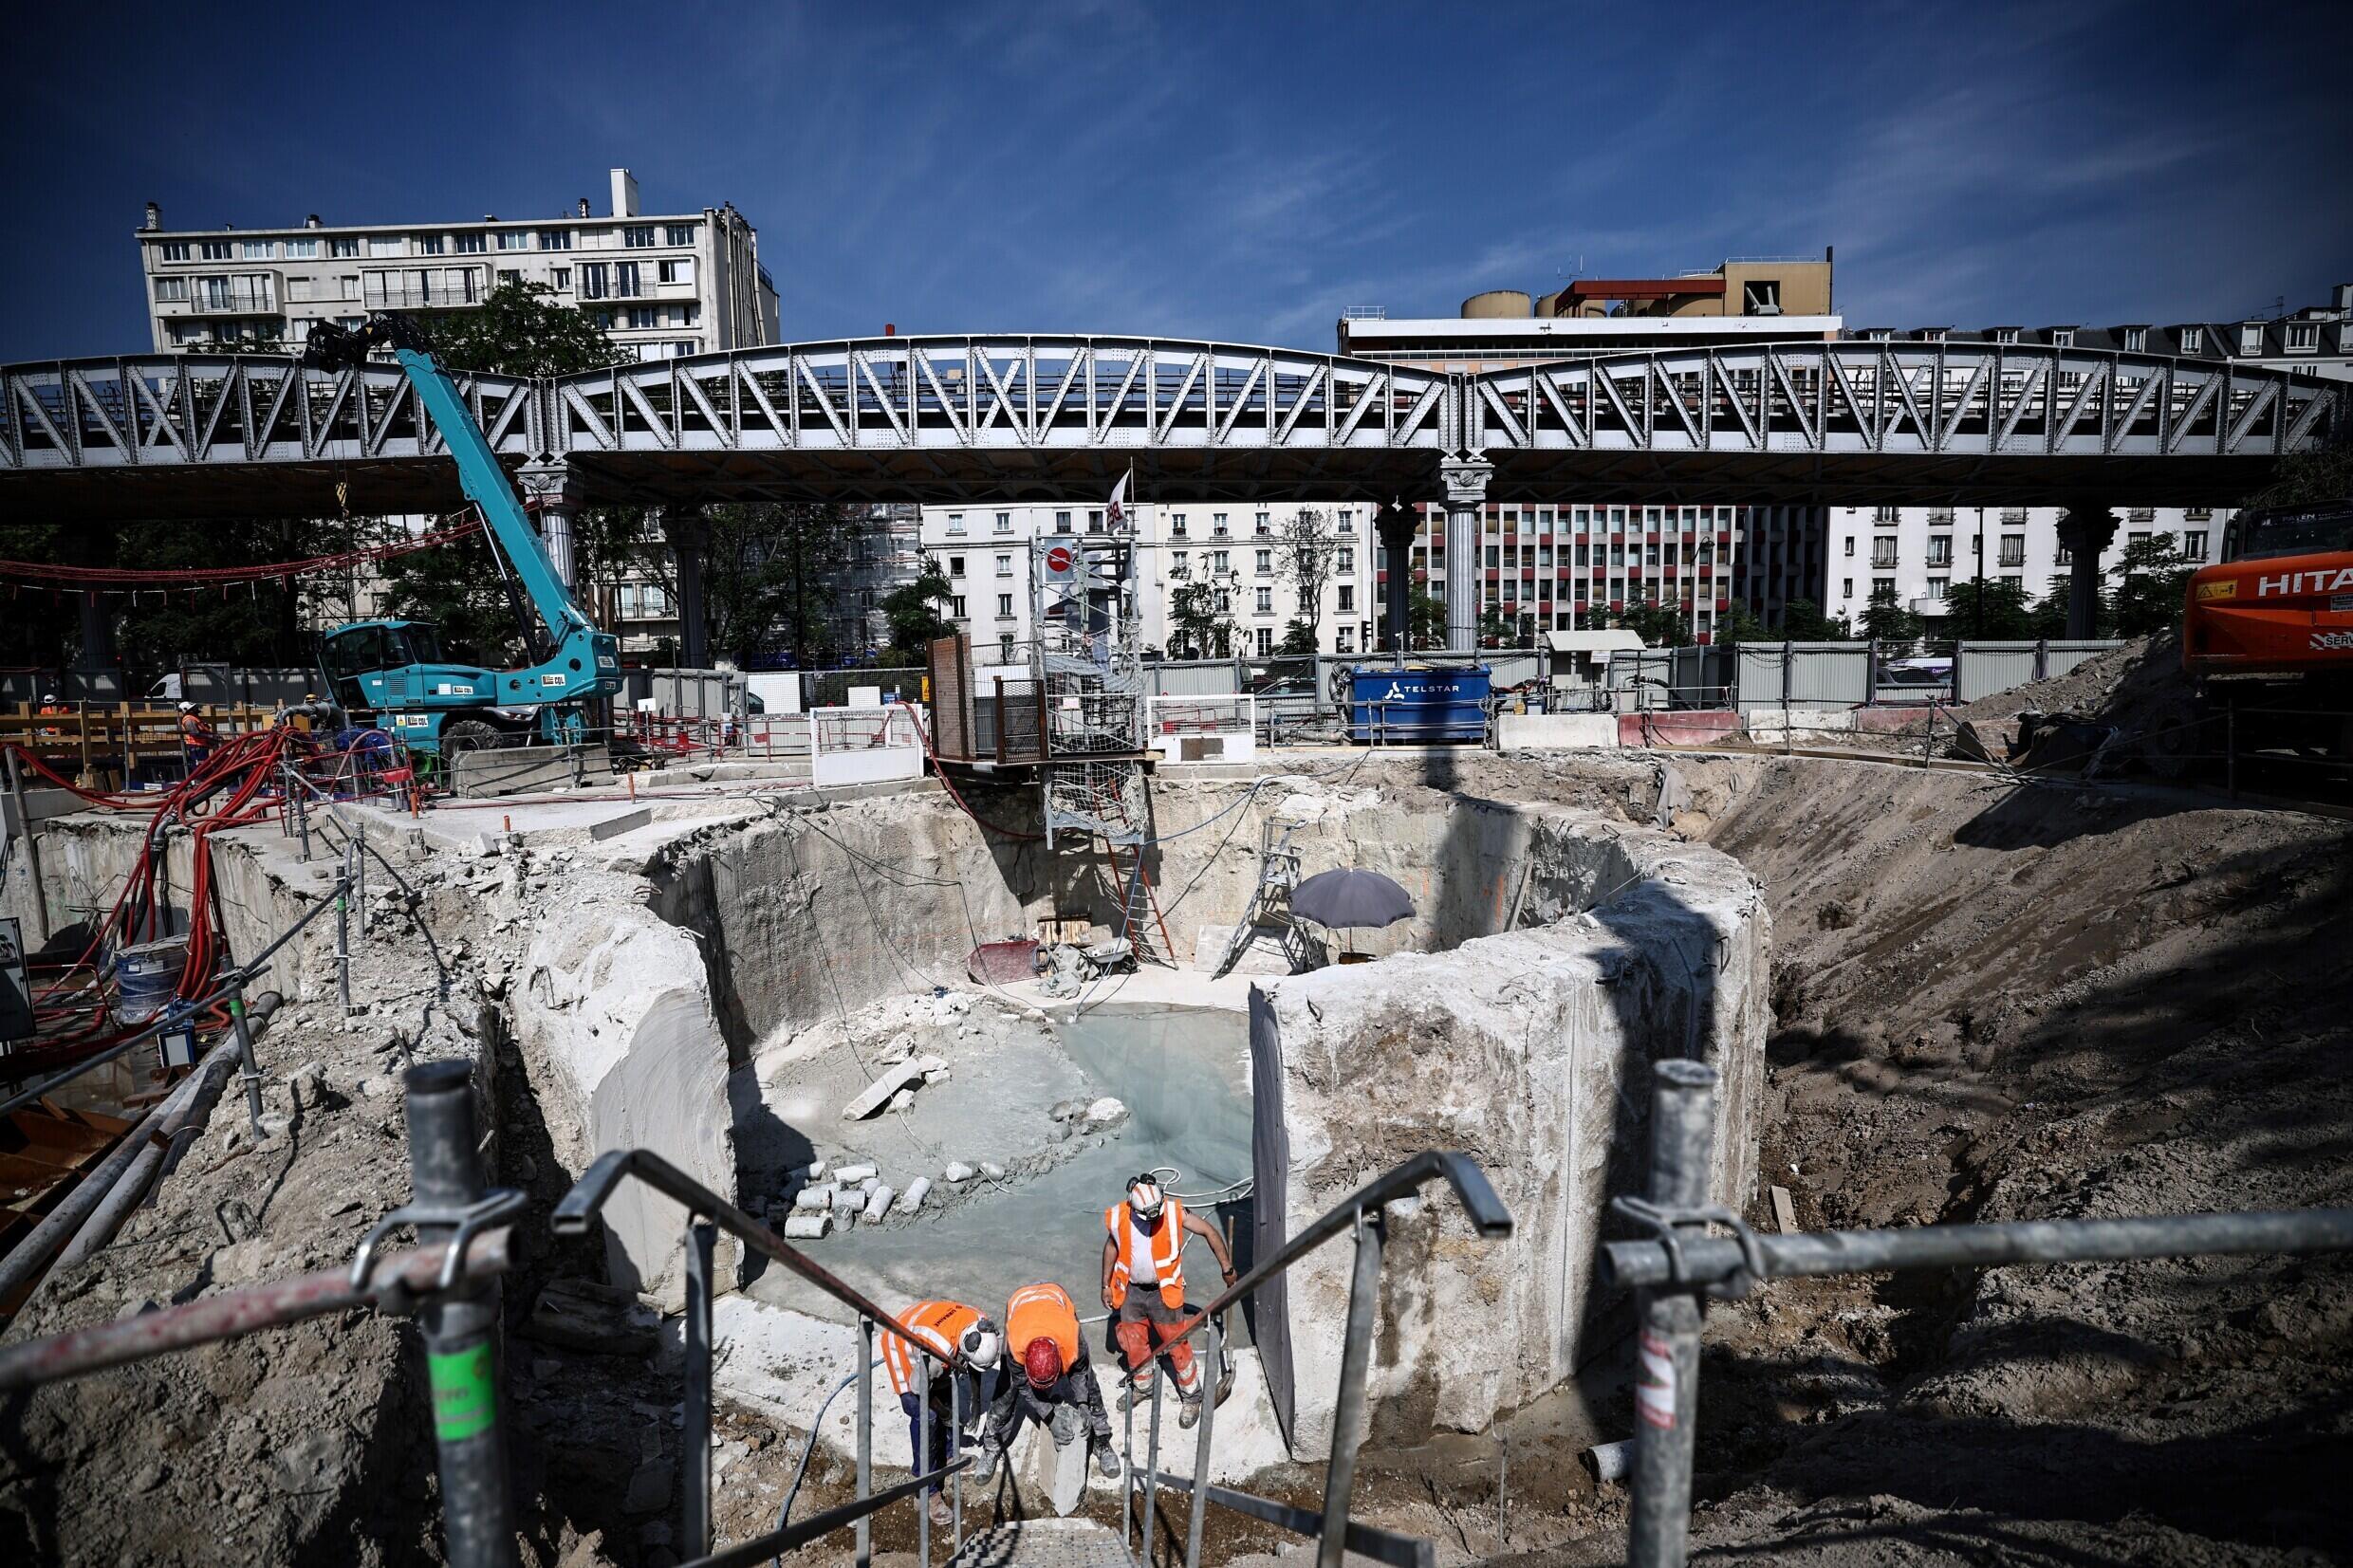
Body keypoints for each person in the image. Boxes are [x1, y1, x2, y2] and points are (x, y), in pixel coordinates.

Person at [1102, 1173, 1235, 1430]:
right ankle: (1143, 1386)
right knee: (1134, 1342)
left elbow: (1208, 1231)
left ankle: (1192, 1396)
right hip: (1131, 1292)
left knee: (1176, 1344)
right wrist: (1106, 1285)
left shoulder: (1173, 1212)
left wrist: (1227, 1268)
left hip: (1165, 1292)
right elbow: (1111, 1248)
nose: (1154, 1219)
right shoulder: (1121, 1216)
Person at [880, 1299, 1001, 1529]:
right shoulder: (937, 1356)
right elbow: (920, 1390)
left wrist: (975, 1403)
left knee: (948, 1396)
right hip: (901, 1343)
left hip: (925, 1322)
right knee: (928, 1418)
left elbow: (972, 1366)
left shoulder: (980, 1323)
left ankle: (946, 1455)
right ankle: (926, 1491)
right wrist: (945, 1413)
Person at [977, 1281, 1117, 1481]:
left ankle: (1102, 1440)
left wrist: (1084, 1404)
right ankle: (991, 1445)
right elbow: (1023, 1385)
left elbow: (1079, 1372)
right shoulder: (1015, 1347)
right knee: (1005, 1389)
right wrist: (1050, 1418)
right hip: (1021, 1303)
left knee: (1090, 1382)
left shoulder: (1072, 1339)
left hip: (1055, 1298)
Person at [177, 701, 217, 771]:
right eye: (194, 708)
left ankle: (205, 778)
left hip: (201, 745)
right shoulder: (189, 719)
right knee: (200, 764)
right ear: (187, 709)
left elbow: (203, 730)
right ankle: (200, 779)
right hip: (196, 746)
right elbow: (195, 733)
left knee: (204, 764)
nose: (196, 709)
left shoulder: (194, 718)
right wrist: (211, 737)